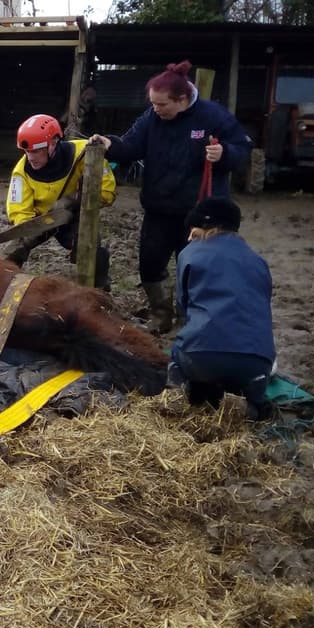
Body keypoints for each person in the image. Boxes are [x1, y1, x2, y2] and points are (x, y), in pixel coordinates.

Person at [90, 60, 252, 333]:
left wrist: (225, 153)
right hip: (159, 207)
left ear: (182, 99)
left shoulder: (213, 116)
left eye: (162, 104)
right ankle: (161, 314)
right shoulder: (151, 119)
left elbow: (242, 149)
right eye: (153, 103)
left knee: (195, 267)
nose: (156, 109)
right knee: (150, 264)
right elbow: (131, 146)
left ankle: (191, 319)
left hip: (199, 212)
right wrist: (110, 144)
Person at [171, 197, 276, 421]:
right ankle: (252, 408)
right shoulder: (259, 261)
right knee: (253, 393)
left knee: (176, 353)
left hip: (201, 355)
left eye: (194, 232)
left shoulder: (190, 253)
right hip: (257, 361)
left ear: (209, 228)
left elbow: (183, 305)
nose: (189, 238)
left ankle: (177, 397)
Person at [4, 114, 117, 291]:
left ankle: (99, 293)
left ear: (53, 143)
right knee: (12, 249)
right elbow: (19, 212)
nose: (30, 157)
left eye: (36, 151)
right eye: (26, 151)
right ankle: (2, 286)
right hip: (41, 219)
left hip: (75, 216)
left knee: (94, 253)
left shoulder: (86, 153)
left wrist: (72, 200)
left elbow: (107, 194)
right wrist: (25, 233)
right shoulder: (21, 172)